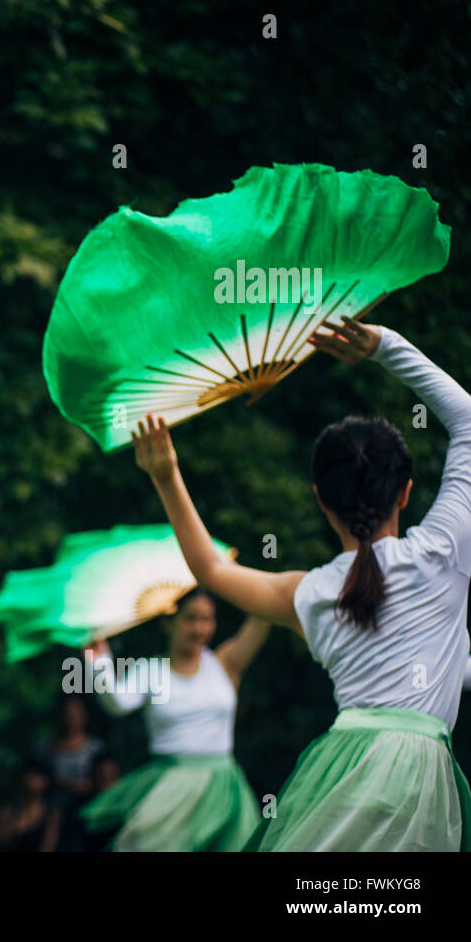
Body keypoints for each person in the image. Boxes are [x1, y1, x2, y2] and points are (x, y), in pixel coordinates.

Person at [133, 316, 471, 851]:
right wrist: (384, 345)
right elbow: (469, 420)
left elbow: (212, 572)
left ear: (320, 498)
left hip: (341, 764)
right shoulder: (444, 552)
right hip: (417, 775)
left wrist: (165, 473)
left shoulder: (308, 592)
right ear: (405, 493)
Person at [80, 595, 268, 851]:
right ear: (168, 621)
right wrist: (99, 662)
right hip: (171, 784)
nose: (200, 628)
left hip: (225, 784)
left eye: (207, 619)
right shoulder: (150, 669)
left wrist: (225, 575)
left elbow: (264, 614)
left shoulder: (225, 662)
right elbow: (117, 703)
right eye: (190, 618)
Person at [41, 696, 108, 852]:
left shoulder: (96, 747)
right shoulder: (48, 748)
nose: (71, 719)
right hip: (55, 816)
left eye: (76, 714)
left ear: (85, 716)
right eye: (68, 714)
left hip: (90, 812)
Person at [0, 755, 60, 852]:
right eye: (30, 776)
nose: (32, 781)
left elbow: (48, 847)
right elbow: (1, 843)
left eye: (38, 777)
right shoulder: (8, 809)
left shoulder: (51, 813)